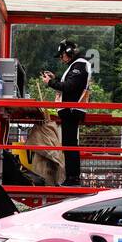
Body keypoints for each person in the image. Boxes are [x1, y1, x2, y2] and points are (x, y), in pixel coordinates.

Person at [39, 39, 90, 187]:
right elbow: (69, 86)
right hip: (70, 110)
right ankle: (72, 178)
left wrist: (50, 82)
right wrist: (55, 79)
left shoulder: (79, 64)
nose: (61, 59)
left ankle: (73, 178)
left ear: (68, 52)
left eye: (62, 55)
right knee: (69, 144)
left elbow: (69, 86)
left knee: (70, 145)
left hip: (72, 110)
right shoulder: (77, 65)